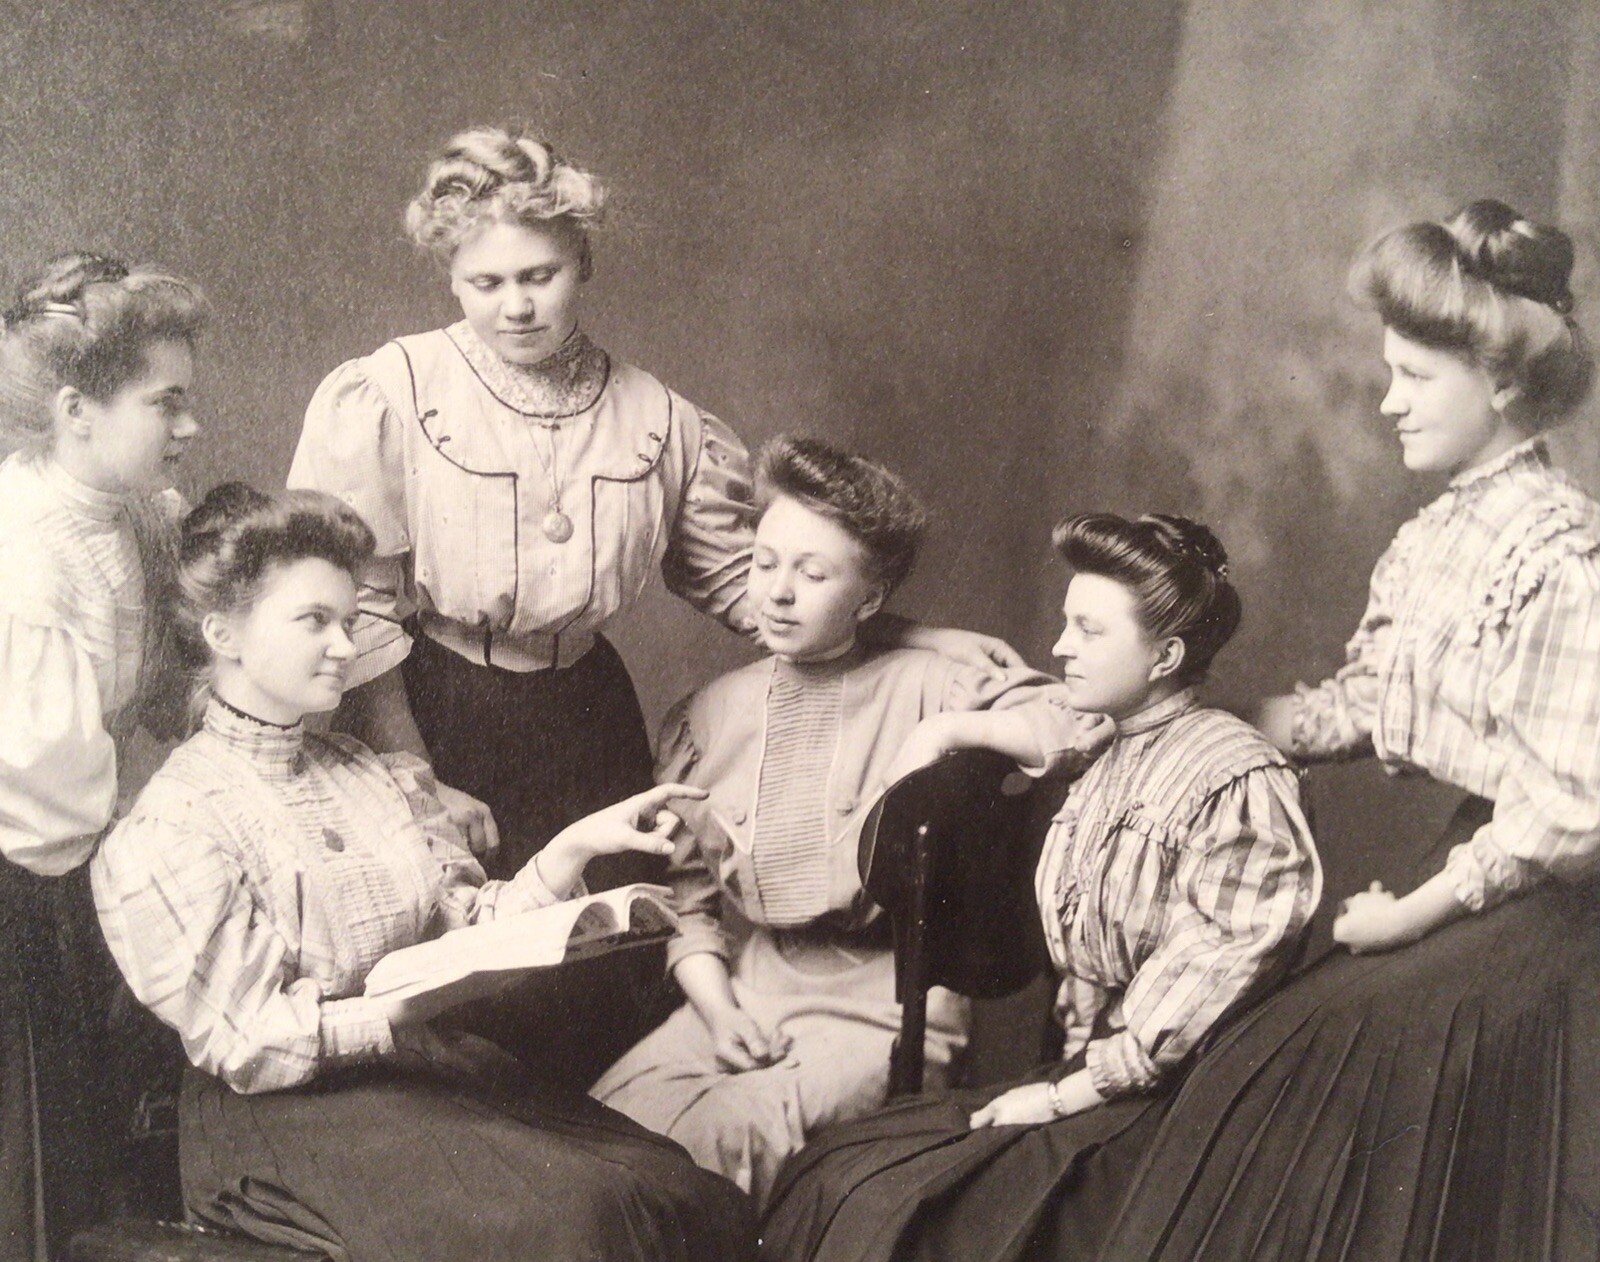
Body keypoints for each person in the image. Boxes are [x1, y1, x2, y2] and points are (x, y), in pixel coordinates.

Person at [286, 127, 1023, 1086]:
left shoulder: (660, 419)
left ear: (581, 262)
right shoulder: (393, 391)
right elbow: (363, 603)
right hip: (434, 704)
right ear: (450, 278)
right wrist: (414, 777)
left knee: (598, 964)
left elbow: (747, 585)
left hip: (586, 713)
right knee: (467, 967)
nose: (515, 306)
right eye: (485, 283)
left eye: (539, 275)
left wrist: (918, 635)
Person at [1097, 199, 1600, 1260]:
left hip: (1550, 920)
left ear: (1504, 382)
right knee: (1262, 1055)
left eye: (1415, 378)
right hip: (1467, 873)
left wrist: (1408, 917)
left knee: (1321, 1067)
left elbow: (1569, 811)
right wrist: (1195, 719)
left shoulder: (1564, 558)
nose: (1388, 403)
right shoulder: (1436, 535)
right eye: (1390, 372)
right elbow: (1361, 706)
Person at [91, 483, 757, 1261]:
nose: (345, 646)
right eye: (315, 621)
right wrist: (397, 1015)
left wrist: (568, 851)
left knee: (678, 1188)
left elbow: (463, 923)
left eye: (347, 621)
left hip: (423, 1078)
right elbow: (247, 1042)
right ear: (223, 632)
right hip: (280, 1122)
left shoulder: (363, 771)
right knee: (585, 1217)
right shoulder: (173, 822)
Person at [760, 512, 1321, 1262]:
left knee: (909, 1211)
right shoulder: (1105, 744)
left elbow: (1194, 1006)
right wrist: (946, 733)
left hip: (1186, 1101)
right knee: (840, 1172)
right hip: (1101, 1075)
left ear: (1167, 654)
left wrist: (1057, 1098)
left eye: (1089, 631)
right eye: (1066, 625)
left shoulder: (1236, 776)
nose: (1060, 648)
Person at [590, 436, 1108, 1204]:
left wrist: (945, 734)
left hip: (892, 1004)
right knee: (602, 1126)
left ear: (870, 598)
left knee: (720, 1139)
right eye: (765, 564)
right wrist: (720, 1007)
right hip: (752, 989)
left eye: (813, 572)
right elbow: (690, 903)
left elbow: (1078, 724)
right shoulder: (706, 717)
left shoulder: (934, 685)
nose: (777, 593)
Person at [0, 254, 205, 1258]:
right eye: (166, 402)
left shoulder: (138, 514)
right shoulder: (21, 552)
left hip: (91, 853)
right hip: (28, 886)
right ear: (78, 408)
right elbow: (48, 802)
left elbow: (165, 696)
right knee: (47, 1161)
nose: (188, 426)